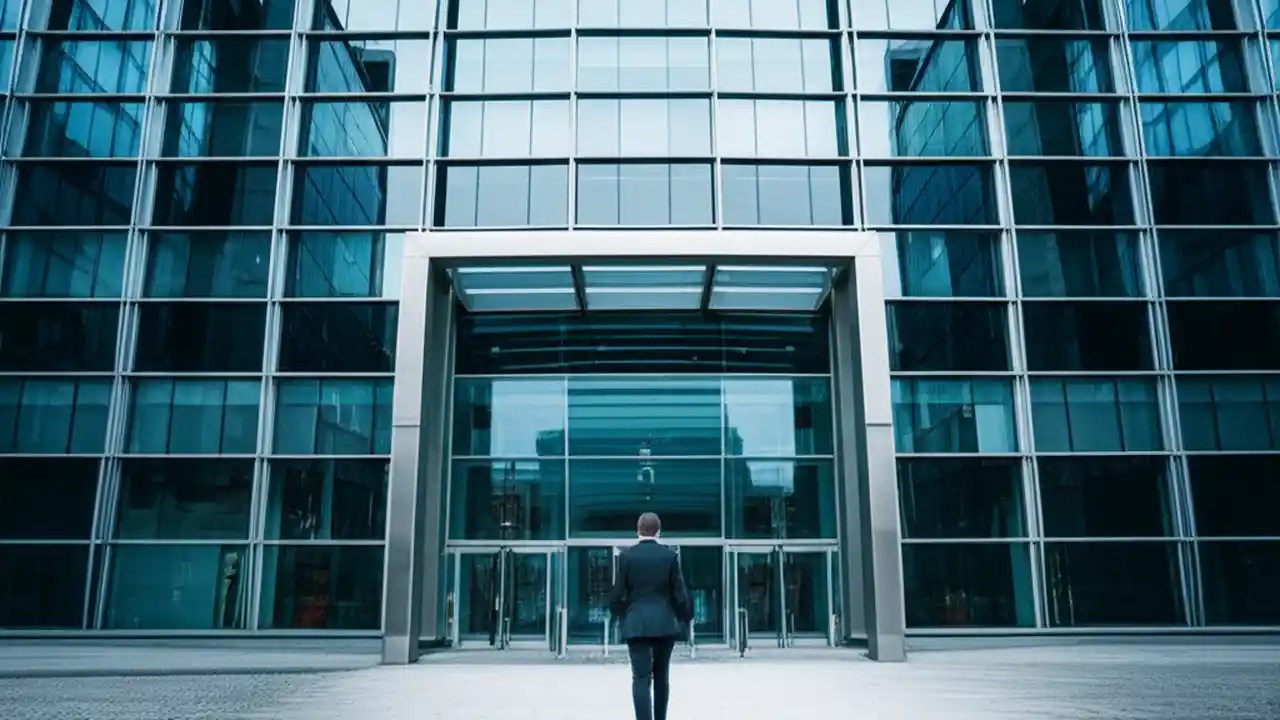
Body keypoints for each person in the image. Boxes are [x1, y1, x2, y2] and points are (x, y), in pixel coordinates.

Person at [610, 512, 693, 720]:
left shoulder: (626, 557)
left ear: (638, 530)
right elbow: (680, 594)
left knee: (640, 677)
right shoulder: (670, 556)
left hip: (636, 624)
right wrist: (685, 618)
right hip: (664, 624)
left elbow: (617, 594)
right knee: (661, 676)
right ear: (659, 531)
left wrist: (623, 616)